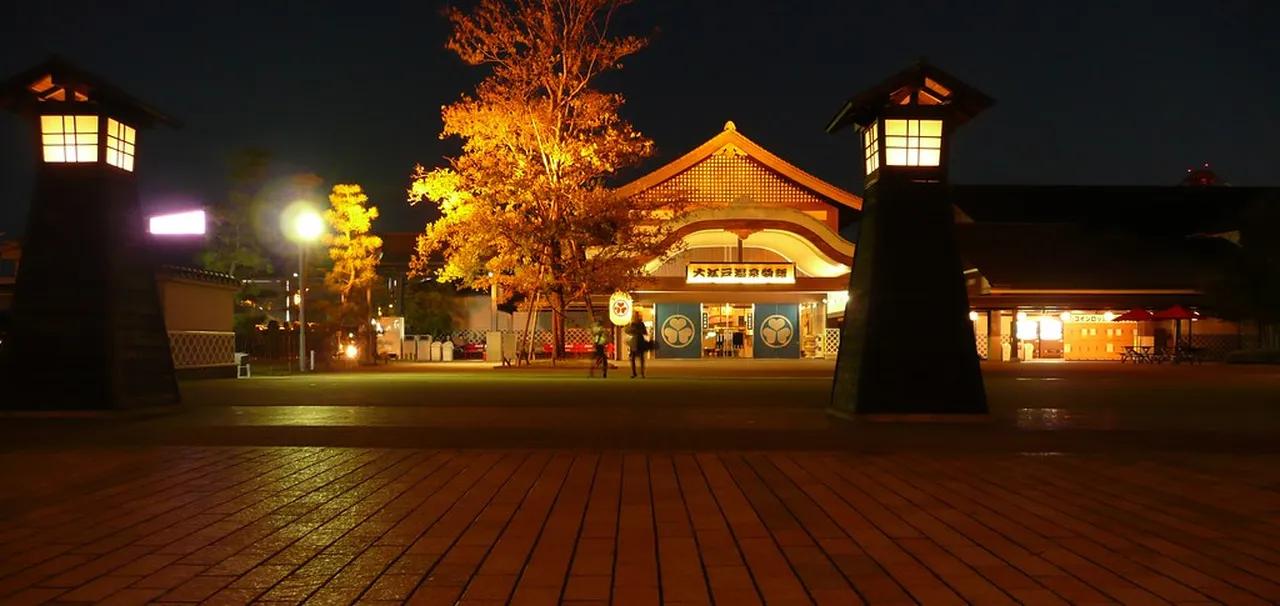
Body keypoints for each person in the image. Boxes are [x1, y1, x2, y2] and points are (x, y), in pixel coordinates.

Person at [627, 313, 648, 378]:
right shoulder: (633, 324)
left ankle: (641, 373)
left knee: (640, 358)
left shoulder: (640, 324)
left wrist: (637, 331)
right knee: (634, 358)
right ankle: (636, 373)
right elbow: (628, 331)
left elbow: (645, 332)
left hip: (639, 341)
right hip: (635, 342)